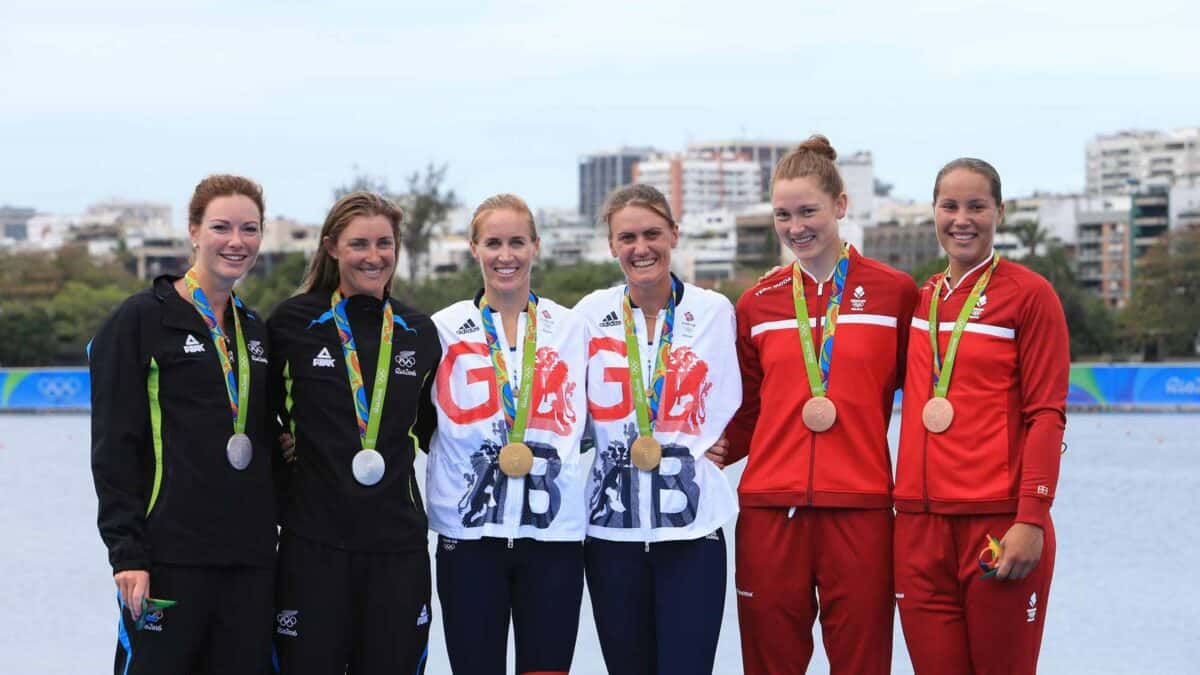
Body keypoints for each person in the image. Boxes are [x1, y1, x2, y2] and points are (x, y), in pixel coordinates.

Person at [719, 135, 918, 674]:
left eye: (808, 211)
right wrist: (699, 451)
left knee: (862, 665)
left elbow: (928, 394)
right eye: (783, 215)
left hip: (861, 508)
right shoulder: (757, 301)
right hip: (769, 510)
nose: (795, 226)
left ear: (841, 206)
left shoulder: (896, 293)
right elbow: (747, 408)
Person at [90, 174, 276, 674]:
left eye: (249, 229)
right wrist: (127, 554)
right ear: (193, 231)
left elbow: (266, 436)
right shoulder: (139, 321)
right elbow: (113, 447)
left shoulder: (255, 330)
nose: (236, 242)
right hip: (168, 559)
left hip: (249, 562)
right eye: (221, 227)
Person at [893, 158, 1069, 674]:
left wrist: (1031, 519)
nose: (962, 219)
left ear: (1000, 212)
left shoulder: (1029, 294)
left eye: (977, 206)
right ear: (934, 213)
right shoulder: (917, 299)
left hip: (998, 525)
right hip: (919, 530)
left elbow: (1047, 415)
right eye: (950, 206)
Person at [266, 191, 438, 674]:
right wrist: (288, 462)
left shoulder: (418, 332)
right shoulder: (292, 323)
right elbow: (256, 419)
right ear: (332, 248)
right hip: (313, 545)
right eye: (359, 243)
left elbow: (435, 431)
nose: (374, 255)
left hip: (397, 548)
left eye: (385, 243)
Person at [577, 184, 740, 675]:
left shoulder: (714, 312)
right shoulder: (587, 316)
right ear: (611, 244)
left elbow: (750, 389)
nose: (640, 247)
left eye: (652, 233)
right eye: (626, 237)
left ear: (674, 234)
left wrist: (733, 443)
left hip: (694, 531)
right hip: (610, 534)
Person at [425, 194, 590, 675]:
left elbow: (606, 414)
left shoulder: (571, 327)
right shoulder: (443, 329)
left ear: (536, 246)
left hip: (553, 535)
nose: (506, 255)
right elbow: (411, 420)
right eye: (493, 242)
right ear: (474, 248)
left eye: (517, 241)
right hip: (469, 536)